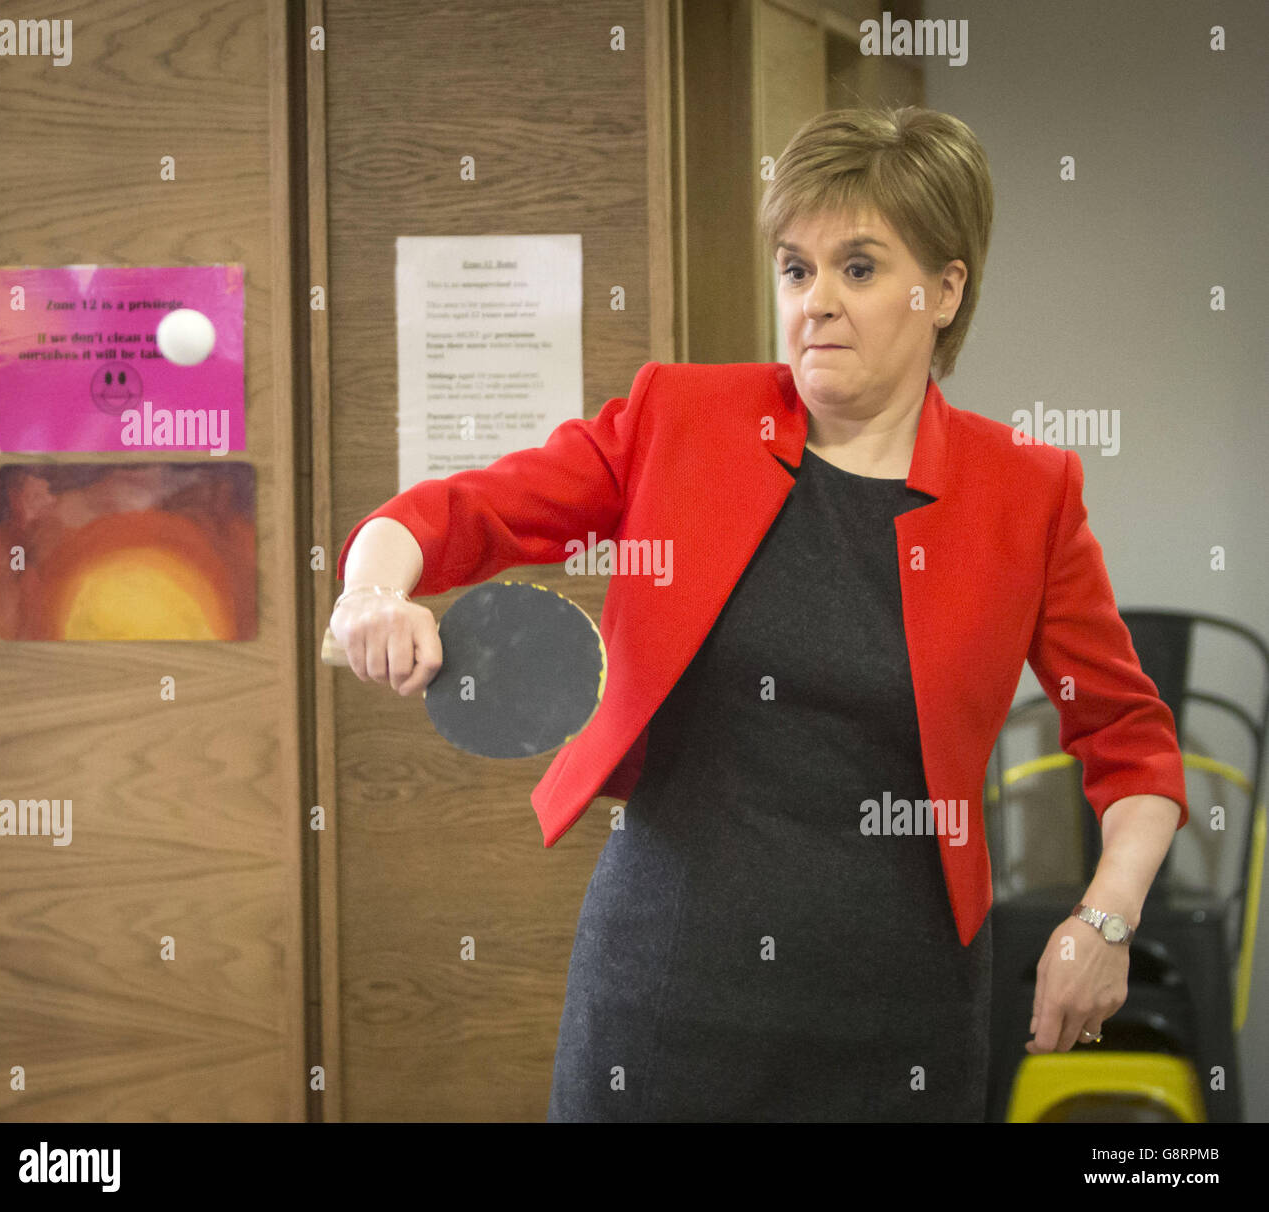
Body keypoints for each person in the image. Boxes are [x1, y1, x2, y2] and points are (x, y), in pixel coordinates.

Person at [331, 105, 1189, 1122]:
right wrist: (370, 590)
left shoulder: (1025, 493)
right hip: (666, 987)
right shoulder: (680, 420)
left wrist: (1104, 918)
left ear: (945, 289)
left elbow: (1130, 745)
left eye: (858, 269)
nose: (815, 303)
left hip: (901, 1008)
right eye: (796, 269)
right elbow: (451, 514)